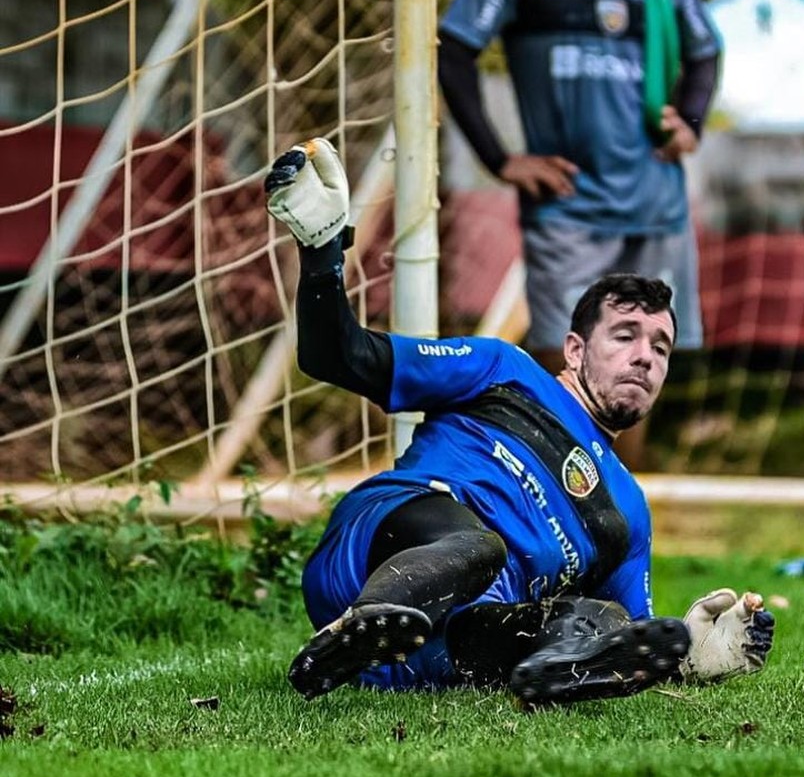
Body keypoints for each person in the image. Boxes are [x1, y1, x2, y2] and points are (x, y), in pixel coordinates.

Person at [265, 138, 773, 704]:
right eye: (626, 336)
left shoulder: (628, 512)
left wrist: (694, 651)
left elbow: (636, 642)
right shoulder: (506, 370)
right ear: (575, 351)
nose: (645, 357)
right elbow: (339, 356)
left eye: (661, 347)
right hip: (374, 552)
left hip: (438, 650)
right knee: (480, 549)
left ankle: (550, 671)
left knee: (596, 618)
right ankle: (359, 626)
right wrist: (322, 252)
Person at [437, 0, 723, 469]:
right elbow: (455, 50)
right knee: (560, 355)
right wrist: (501, 159)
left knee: (640, 358)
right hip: (568, 205)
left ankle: (619, 514)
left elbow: (706, 53)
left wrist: (692, 119)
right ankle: (557, 507)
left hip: (654, 200)